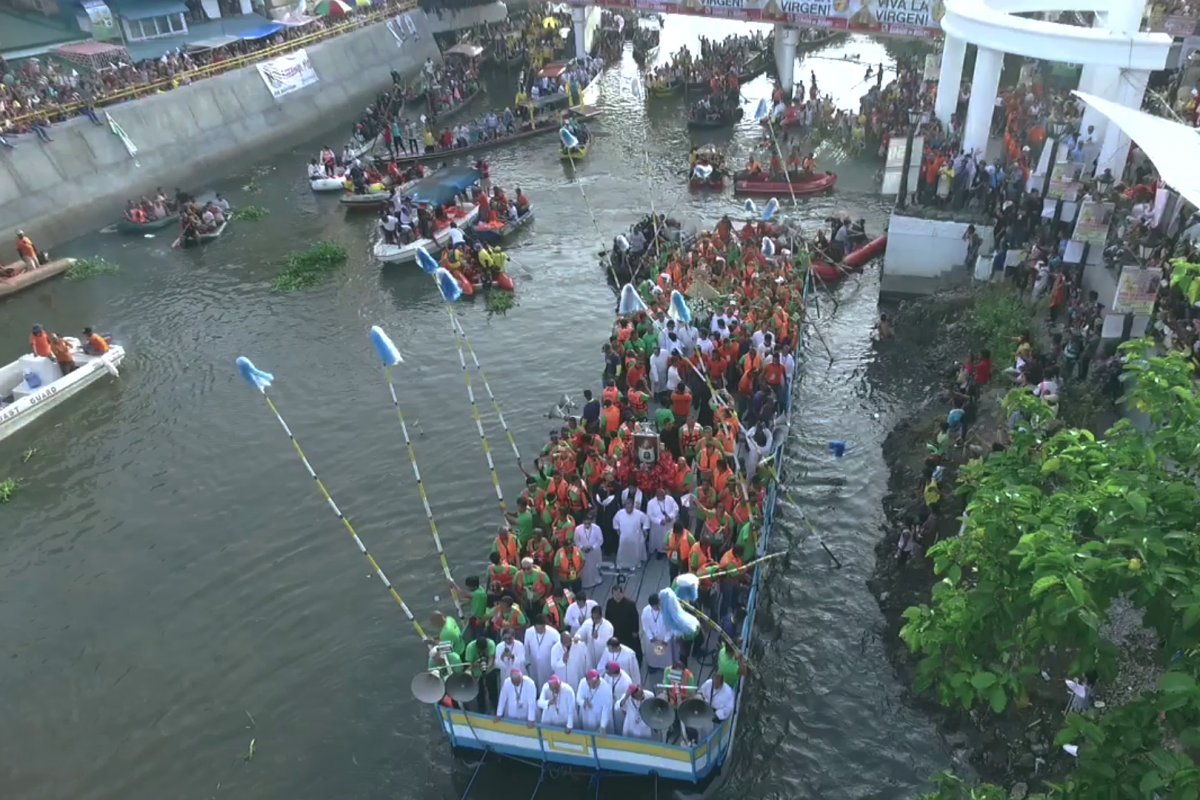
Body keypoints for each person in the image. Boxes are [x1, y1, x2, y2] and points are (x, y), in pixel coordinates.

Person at [640, 593, 674, 678]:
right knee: (653, 654)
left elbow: (671, 626)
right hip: (652, 639)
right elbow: (645, 626)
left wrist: (665, 640)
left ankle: (666, 668)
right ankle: (653, 666)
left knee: (666, 655)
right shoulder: (646, 611)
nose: (658, 607)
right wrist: (652, 638)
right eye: (656, 606)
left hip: (664, 638)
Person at [463, 631, 497, 713]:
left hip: (490, 671)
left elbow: (491, 658)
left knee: (493, 690)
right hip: (477, 673)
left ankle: (495, 706)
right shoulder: (470, 648)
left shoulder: (491, 644)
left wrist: (487, 667)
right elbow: (468, 664)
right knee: (479, 693)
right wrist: (476, 664)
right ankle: (481, 709)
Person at [613, 495, 649, 570]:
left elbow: (646, 520)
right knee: (622, 550)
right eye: (627, 507)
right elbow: (615, 521)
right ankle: (621, 563)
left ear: (633, 506)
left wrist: (645, 529)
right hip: (624, 536)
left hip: (635, 536)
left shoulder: (638, 513)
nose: (629, 509)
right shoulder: (620, 513)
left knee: (635, 550)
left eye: (630, 507)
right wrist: (617, 529)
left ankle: (636, 562)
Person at [523, 613, 557, 690]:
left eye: (542, 629)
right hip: (533, 663)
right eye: (538, 629)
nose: (540, 631)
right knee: (534, 682)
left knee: (547, 683)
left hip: (547, 664)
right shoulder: (528, 632)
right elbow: (526, 647)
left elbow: (558, 648)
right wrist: (527, 662)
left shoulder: (553, 633)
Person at [551, 629, 589, 694]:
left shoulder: (580, 645)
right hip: (563, 679)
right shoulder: (555, 649)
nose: (568, 645)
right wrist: (562, 661)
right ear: (561, 642)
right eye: (565, 644)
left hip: (576, 678)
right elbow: (553, 666)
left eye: (569, 642)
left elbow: (587, 660)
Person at [576, 669, 612, 734]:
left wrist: (602, 726)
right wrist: (583, 702)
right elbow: (578, 698)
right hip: (586, 715)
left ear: (598, 680)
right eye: (589, 684)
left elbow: (606, 710)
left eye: (594, 684)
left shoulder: (606, 689)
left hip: (599, 717)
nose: (592, 686)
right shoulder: (582, 682)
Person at [645, 487, 678, 560]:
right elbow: (650, 515)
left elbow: (676, 508)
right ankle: (660, 552)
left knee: (670, 538)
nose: (664, 498)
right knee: (659, 539)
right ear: (657, 496)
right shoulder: (651, 503)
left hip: (669, 524)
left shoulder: (670, 499)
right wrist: (659, 521)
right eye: (661, 497)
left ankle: (670, 550)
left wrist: (670, 516)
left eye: (664, 496)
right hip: (658, 526)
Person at [574, 512, 604, 590]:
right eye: (585, 523)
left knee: (594, 566)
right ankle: (585, 582)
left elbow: (600, 540)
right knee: (584, 567)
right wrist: (581, 547)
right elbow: (576, 540)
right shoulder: (578, 529)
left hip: (594, 552)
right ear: (583, 522)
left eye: (589, 523)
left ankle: (595, 579)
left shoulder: (597, 528)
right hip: (583, 551)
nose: (587, 525)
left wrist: (592, 547)